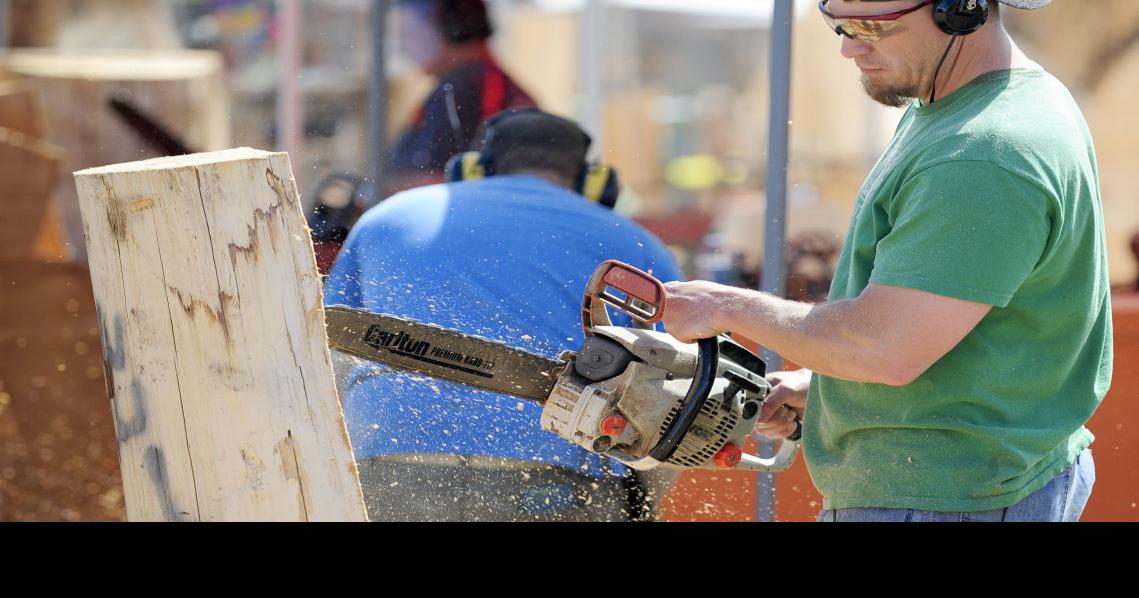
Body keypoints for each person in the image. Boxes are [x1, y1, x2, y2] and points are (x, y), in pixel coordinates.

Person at [660, 0, 1110, 522]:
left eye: (871, 26)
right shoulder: (959, 108)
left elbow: (884, 347)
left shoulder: (981, 152)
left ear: (960, 10)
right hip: (959, 482)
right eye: (839, 24)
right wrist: (828, 387)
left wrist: (723, 306)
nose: (850, 47)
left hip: (947, 498)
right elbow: (948, 328)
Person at [324, 109, 684, 521]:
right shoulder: (636, 244)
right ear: (594, 182)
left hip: (389, 453)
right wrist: (640, 505)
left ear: (472, 170)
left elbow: (329, 348)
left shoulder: (384, 219)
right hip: (560, 463)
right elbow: (673, 388)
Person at [386, 0, 537, 194]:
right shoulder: (470, 83)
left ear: (453, 28)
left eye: (408, 32)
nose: (404, 47)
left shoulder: (471, 88)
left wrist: (383, 191)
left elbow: (439, 183)